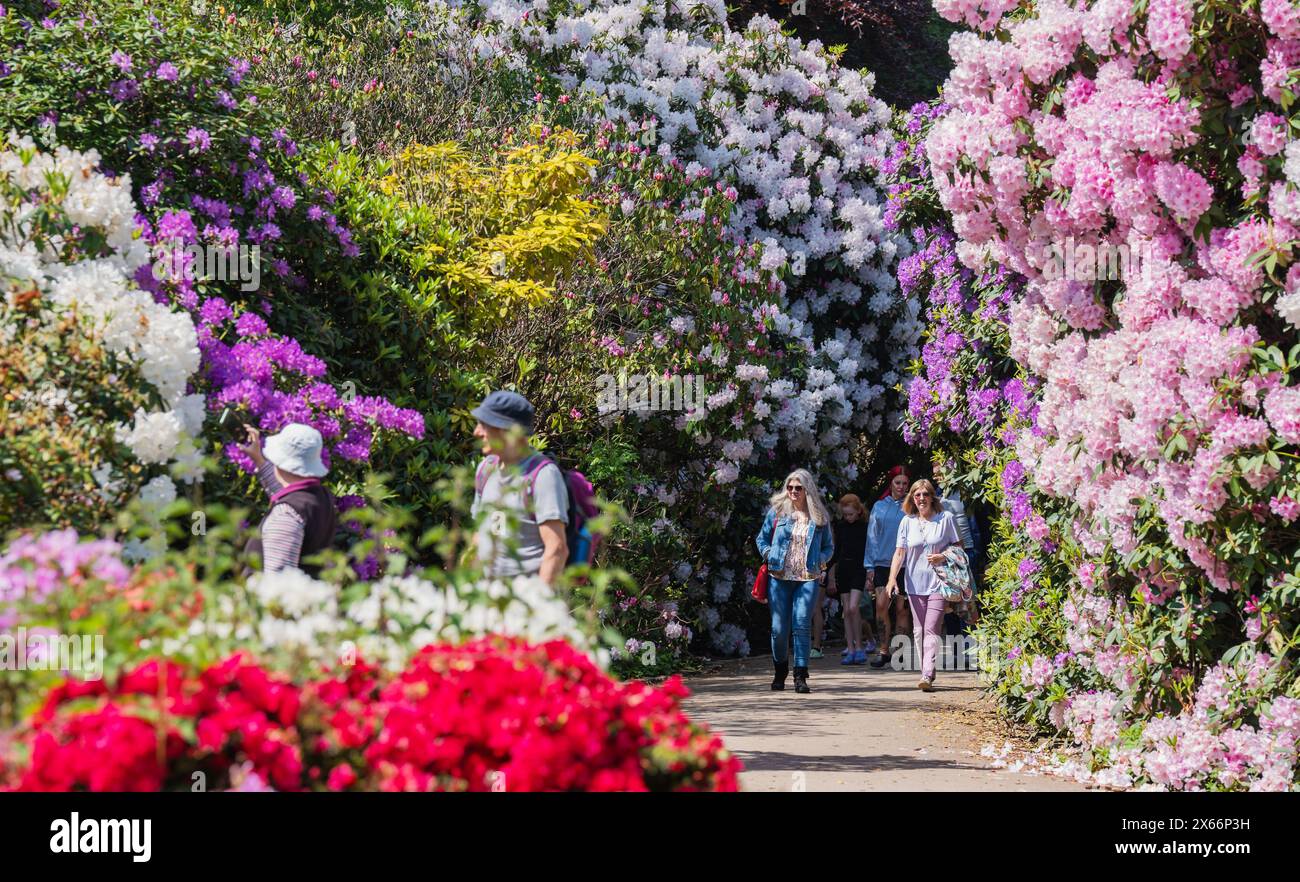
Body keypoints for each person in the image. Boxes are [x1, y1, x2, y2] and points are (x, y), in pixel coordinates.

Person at [470, 390, 569, 585]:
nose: (477, 432)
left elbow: (556, 549)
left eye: (484, 424)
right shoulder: (486, 469)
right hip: (487, 599)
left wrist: (536, 607)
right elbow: (478, 536)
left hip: (523, 604)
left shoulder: (543, 476)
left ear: (506, 429)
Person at [756, 469, 835, 694]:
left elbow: (829, 546)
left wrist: (821, 561)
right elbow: (761, 538)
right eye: (789, 487)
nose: (792, 491)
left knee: (801, 624)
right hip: (779, 577)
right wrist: (768, 553)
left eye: (798, 488)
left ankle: (800, 674)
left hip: (807, 577)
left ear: (807, 490)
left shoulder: (819, 517)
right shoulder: (777, 512)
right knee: (778, 628)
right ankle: (780, 669)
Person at [885, 479, 961, 692]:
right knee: (918, 632)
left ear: (932, 497)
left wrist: (943, 556)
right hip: (914, 584)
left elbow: (959, 547)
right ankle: (928, 668)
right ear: (912, 498)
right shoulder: (907, 522)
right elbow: (899, 553)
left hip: (939, 582)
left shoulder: (945, 519)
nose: (921, 499)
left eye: (925, 494)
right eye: (917, 495)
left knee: (931, 628)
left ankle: (926, 674)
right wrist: (892, 579)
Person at [240, 423, 338, 576]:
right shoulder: (320, 496)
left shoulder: (286, 514)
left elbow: (277, 581)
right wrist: (258, 459)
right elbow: (286, 491)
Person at [865, 466, 911, 668]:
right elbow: (872, 537)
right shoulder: (879, 506)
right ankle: (883, 650)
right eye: (897, 483)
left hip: (906, 565)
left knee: (902, 609)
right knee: (881, 606)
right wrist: (869, 566)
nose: (901, 487)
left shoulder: (912, 506)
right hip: (883, 563)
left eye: (905, 483)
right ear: (891, 483)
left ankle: (900, 651)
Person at [932, 455, 977, 633]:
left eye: (939, 473)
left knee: (968, 601)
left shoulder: (965, 493)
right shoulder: (934, 496)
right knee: (949, 601)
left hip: (967, 551)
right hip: (945, 555)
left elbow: (978, 524)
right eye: (934, 474)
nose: (936, 477)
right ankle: (954, 648)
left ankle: (969, 647)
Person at [827, 493, 871, 665]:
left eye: (851, 514)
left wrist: (869, 572)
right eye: (845, 514)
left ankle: (860, 647)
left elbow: (869, 550)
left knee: (854, 607)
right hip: (843, 569)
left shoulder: (865, 526)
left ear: (859, 511)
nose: (848, 517)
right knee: (846, 610)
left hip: (859, 568)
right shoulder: (840, 526)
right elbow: (837, 550)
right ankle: (851, 649)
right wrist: (829, 568)